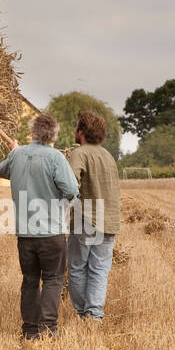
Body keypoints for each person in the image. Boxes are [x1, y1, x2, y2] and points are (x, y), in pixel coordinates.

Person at [0, 113, 79, 340]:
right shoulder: (56, 158)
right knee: (53, 279)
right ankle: (48, 329)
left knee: (30, 280)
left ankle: (30, 329)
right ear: (53, 135)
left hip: (25, 233)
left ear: (32, 132)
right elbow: (71, 190)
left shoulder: (17, 155)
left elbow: (1, 171)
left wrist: (15, 151)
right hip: (51, 232)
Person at [66, 111, 120, 322]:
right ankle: (95, 315)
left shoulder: (80, 153)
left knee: (77, 266)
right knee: (100, 269)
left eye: (76, 127)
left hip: (87, 219)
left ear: (81, 131)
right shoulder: (108, 156)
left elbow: (71, 184)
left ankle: (82, 314)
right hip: (110, 220)